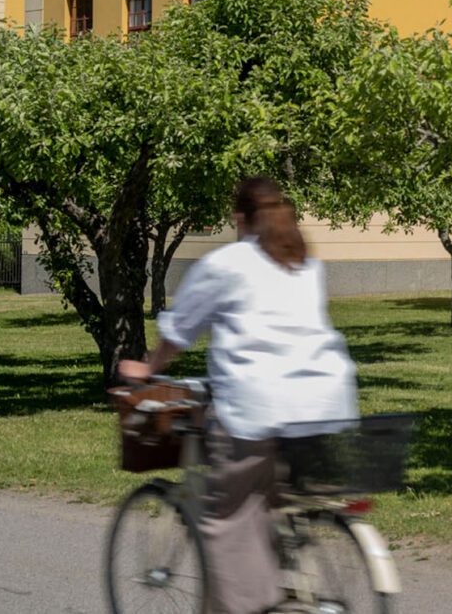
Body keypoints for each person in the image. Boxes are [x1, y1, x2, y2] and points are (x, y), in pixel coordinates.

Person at [118, 177, 359, 614]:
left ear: (239, 218)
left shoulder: (225, 264)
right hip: (325, 410)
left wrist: (146, 368)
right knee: (273, 500)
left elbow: (178, 332)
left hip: (257, 410)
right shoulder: (303, 262)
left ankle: (249, 602)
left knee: (223, 518)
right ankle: (283, 580)